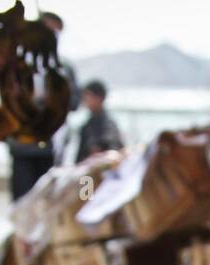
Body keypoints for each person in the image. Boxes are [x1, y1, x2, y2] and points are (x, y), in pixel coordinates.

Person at [7, 10, 79, 199]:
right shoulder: (17, 65)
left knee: (49, 200)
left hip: (52, 149)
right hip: (22, 146)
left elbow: (75, 103)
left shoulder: (65, 69)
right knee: (22, 199)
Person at [75, 80, 124, 162]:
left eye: (88, 96)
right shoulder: (86, 126)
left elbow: (114, 148)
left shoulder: (109, 124)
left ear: (99, 98)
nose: (85, 101)